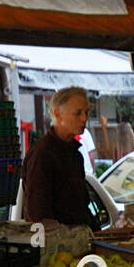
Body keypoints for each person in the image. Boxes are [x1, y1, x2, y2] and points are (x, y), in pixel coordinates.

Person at [22, 86, 100, 229]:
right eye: (77, 113)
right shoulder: (42, 155)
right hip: (56, 247)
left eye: (86, 112)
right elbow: (38, 213)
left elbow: (81, 207)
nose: (84, 118)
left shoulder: (75, 154)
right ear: (58, 114)